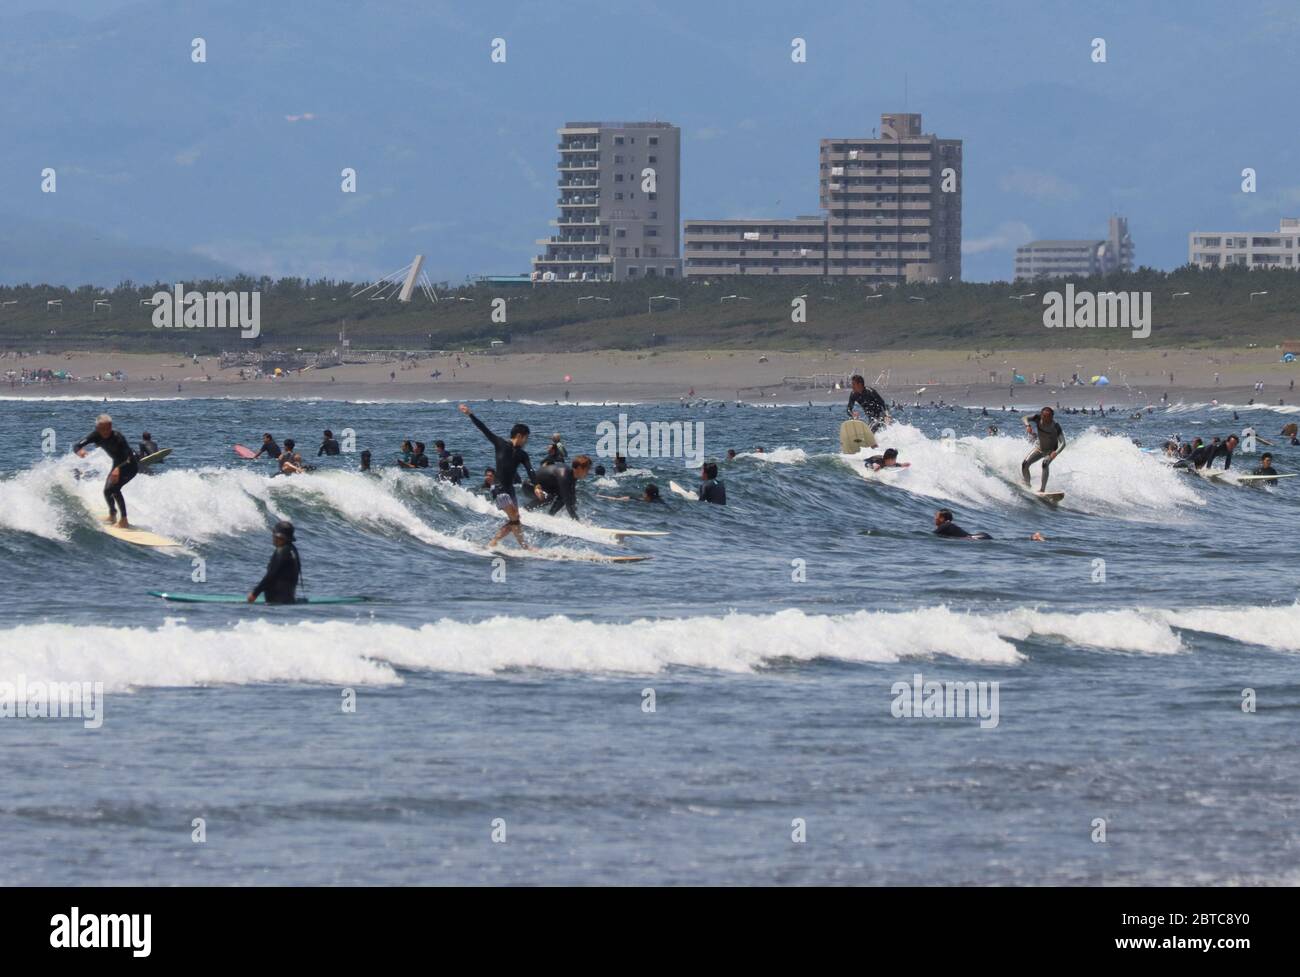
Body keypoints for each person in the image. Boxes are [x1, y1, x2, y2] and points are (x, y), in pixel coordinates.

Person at [460, 404, 537, 547]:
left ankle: (494, 543)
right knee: (514, 517)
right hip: (499, 487)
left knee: (516, 518)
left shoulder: (522, 454)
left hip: (510, 489)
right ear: (519, 436)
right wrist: (470, 414)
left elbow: (530, 470)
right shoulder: (500, 444)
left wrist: (537, 485)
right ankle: (521, 545)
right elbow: (484, 429)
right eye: (526, 438)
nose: (527, 441)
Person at [73, 413, 139, 528]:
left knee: (114, 488)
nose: (106, 431)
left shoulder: (118, 437)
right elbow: (77, 445)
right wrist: (80, 451)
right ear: (97, 428)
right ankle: (112, 515)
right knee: (107, 491)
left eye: (109, 427)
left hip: (129, 465)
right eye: (103, 429)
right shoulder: (95, 435)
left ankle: (124, 520)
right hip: (117, 465)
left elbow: (128, 457)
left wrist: (118, 469)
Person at [247, 520, 301, 604]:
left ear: (280, 537)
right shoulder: (293, 550)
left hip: (276, 602)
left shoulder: (281, 551)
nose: (273, 537)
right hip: (289, 599)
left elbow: (271, 575)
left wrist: (254, 594)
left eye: (274, 534)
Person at [533, 454, 593, 519]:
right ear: (579, 468)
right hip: (531, 486)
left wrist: (574, 506)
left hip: (545, 488)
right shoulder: (564, 475)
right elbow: (567, 502)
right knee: (550, 497)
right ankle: (526, 511)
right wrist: (577, 522)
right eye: (587, 469)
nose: (588, 472)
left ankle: (550, 516)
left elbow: (571, 496)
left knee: (562, 497)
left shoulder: (572, 476)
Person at [1021, 406, 1065, 491]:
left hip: (1051, 451)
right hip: (1039, 448)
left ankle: (1042, 489)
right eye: (1045, 417)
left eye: (1049, 417)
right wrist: (1027, 425)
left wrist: (1055, 453)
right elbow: (1024, 417)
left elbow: (1063, 443)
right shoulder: (1037, 418)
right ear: (1041, 415)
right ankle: (1027, 484)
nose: (1047, 419)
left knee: (1045, 464)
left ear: (1052, 417)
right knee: (1024, 464)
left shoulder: (1055, 426)